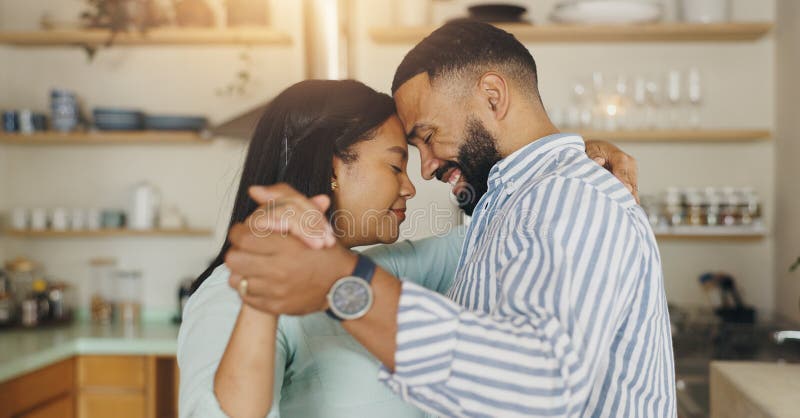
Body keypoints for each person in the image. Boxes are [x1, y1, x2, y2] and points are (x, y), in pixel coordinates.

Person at [223, 20, 675, 418]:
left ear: (493, 97)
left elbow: (543, 392)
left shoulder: (570, 196)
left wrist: (346, 284)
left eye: (428, 136)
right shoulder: (511, 207)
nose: (423, 171)